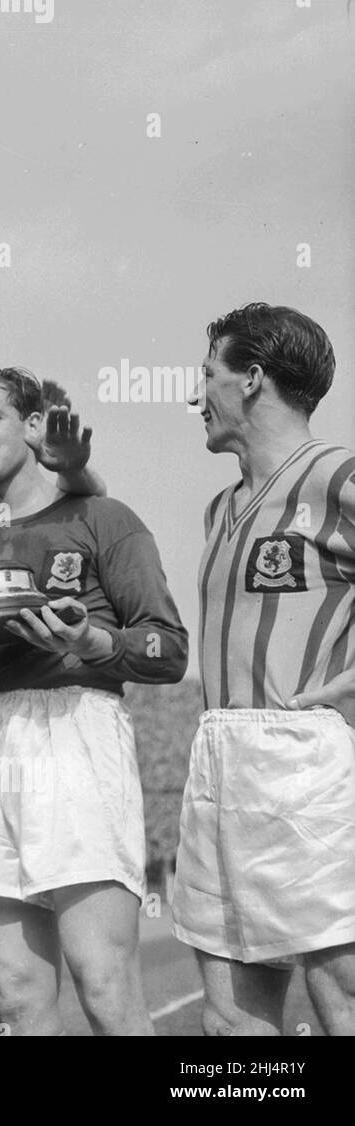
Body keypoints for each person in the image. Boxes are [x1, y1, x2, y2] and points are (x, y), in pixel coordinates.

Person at [0, 364, 187, 1035]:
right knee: (10, 992)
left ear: (33, 425)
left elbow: (168, 649)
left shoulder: (102, 517)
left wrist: (91, 640)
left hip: (74, 726)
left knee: (102, 979)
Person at [171, 303, 355, 1035]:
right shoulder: (221, 507)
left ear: (250, 380)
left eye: (207, 375)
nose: (196, 396)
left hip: (302, 756)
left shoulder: (334, 473)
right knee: (227, 1018)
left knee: (341, 993)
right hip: (218, 758)